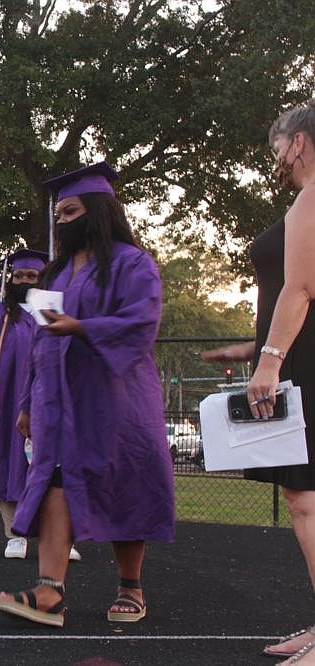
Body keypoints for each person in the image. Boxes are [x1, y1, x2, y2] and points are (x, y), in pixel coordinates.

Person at [0, 162, 175, 627]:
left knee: (124, 484)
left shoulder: (132, 264)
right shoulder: (54, 274)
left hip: (116, 399)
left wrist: (84, 327)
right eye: (58, 212)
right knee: (55, 483)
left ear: (96, 211)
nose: (61, 220)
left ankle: (130, 586)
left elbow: (142, 322)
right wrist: (28, 403)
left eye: (70, 210)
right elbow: (40, 343)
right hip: (58, 400)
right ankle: (50, 592)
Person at [203, 102, 315, 663]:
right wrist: (254, 346)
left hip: (301, 366)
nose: (274, 156)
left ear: (297, 141)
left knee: (306, 499)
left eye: (276, 144)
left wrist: (268, 363)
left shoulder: (312, 194)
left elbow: (300, 289)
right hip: (299, 353)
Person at [0, 248, 80, 561]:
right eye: (19, 275)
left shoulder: (53, 313)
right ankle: (14, 535)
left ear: (43, 279)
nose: (24, 281)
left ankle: (59, 537)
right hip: (4, 404)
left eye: (31, 276)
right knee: (5, 463)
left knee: (57, 469)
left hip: (51, 401)